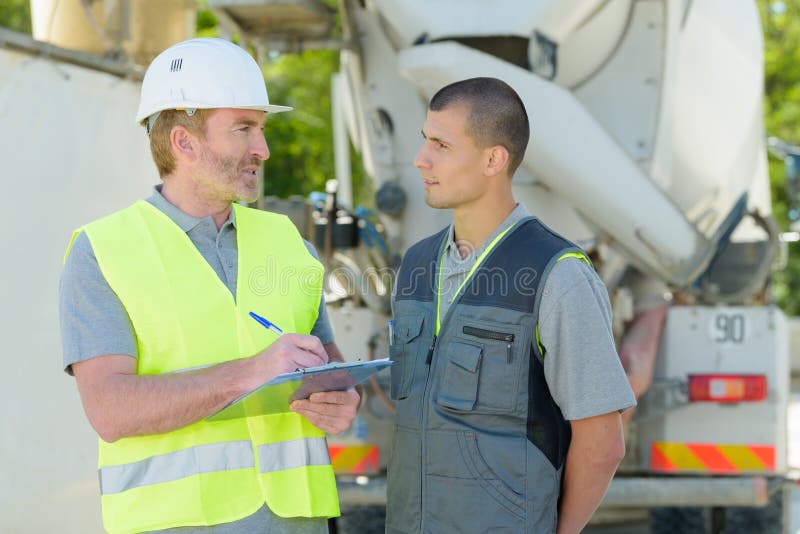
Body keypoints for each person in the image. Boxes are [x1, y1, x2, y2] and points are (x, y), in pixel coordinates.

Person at [59, 37, 359, 534]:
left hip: (301, 523)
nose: (261, 149)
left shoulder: (289, 243)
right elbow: (109, 410)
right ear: (184, 142)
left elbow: (330, 364)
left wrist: (342, 395)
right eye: (242, 129)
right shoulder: (103, 252)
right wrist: (251, 372)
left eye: (260, 129)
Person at [385, 77, 636, 534]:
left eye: (441, 144)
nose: (421, 159)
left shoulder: (558, 274)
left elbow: (602, 442)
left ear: (493, 159)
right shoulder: (416, 265)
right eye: (425, 140)